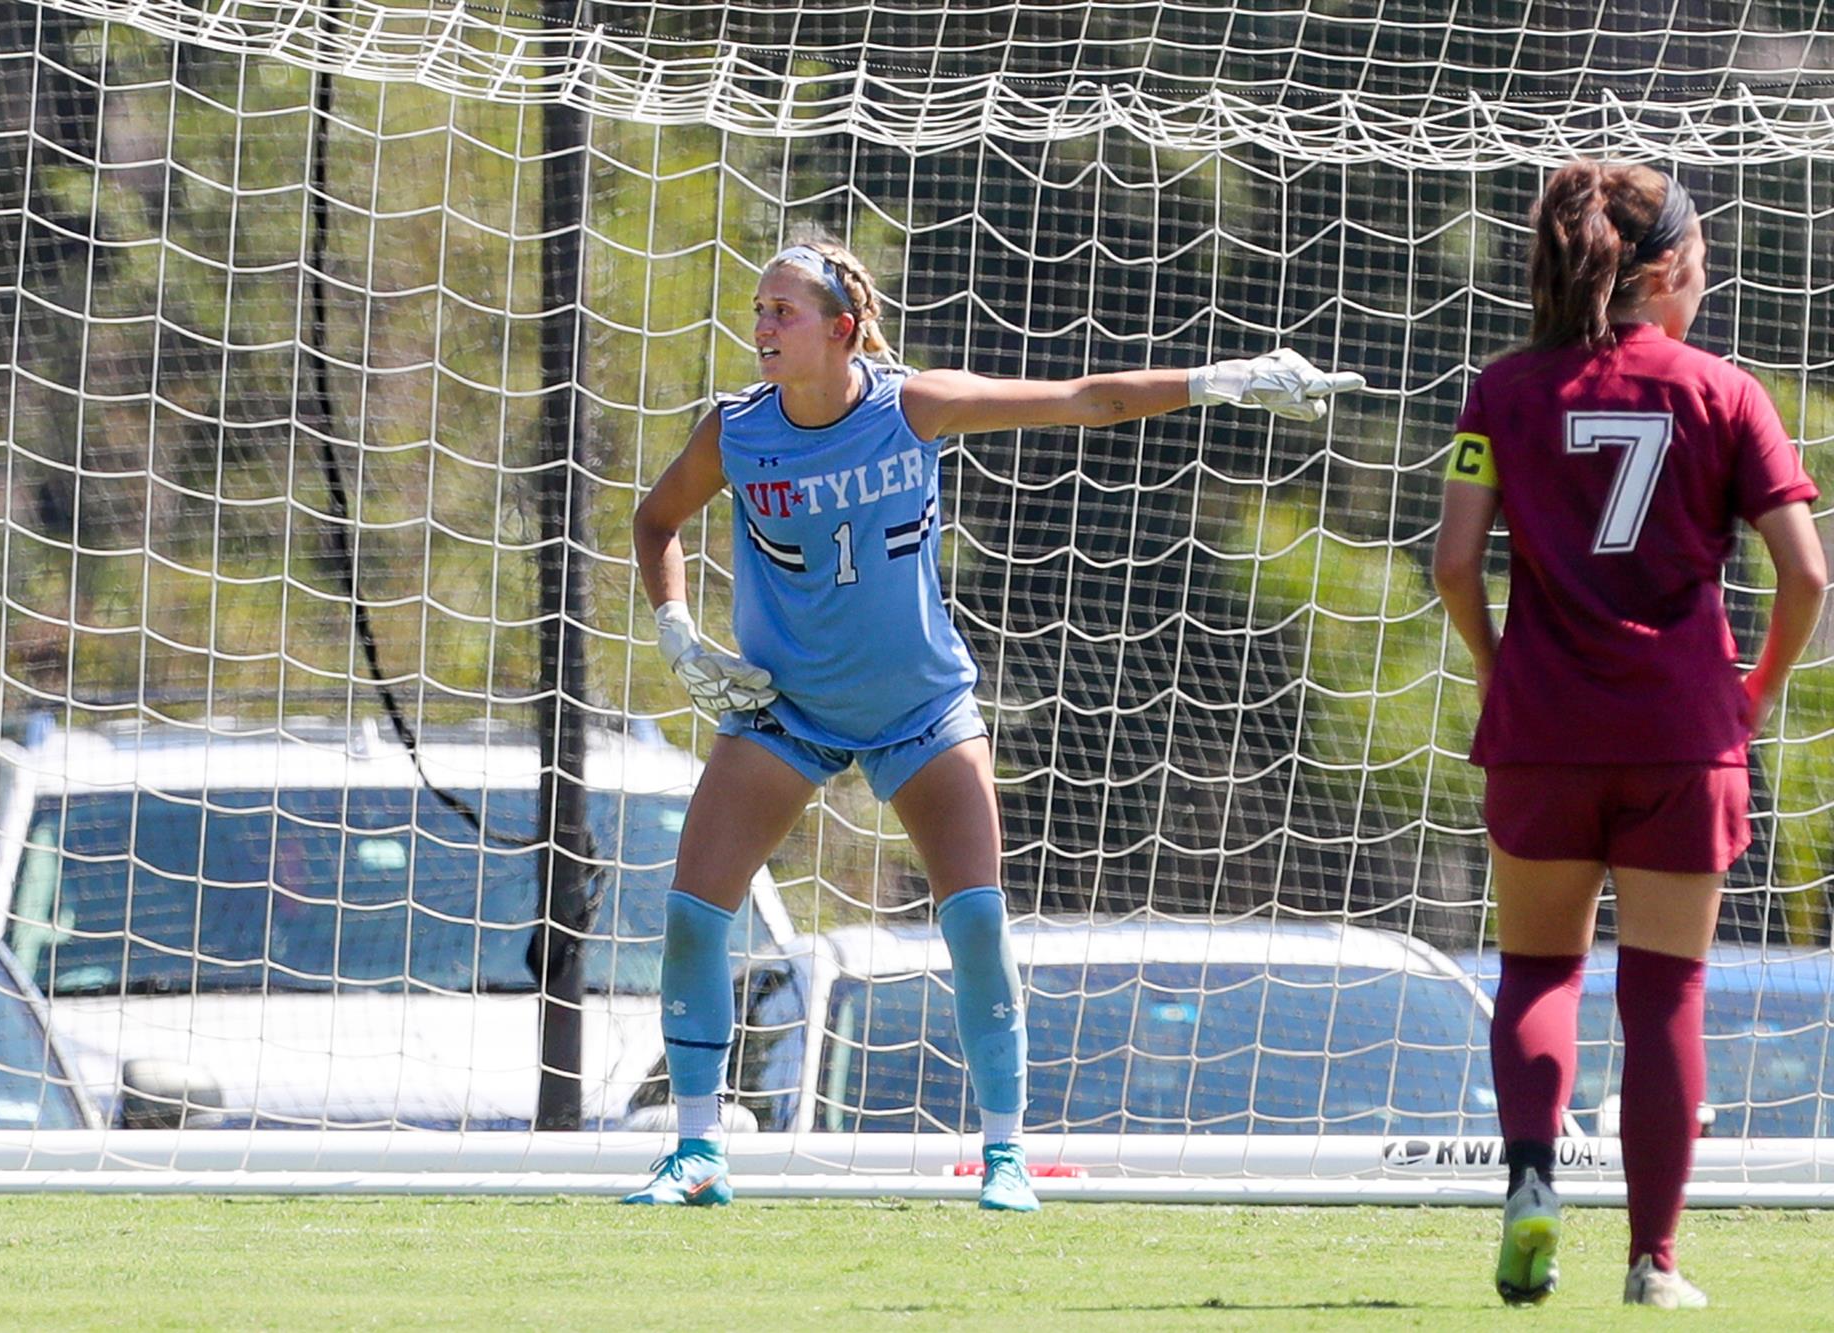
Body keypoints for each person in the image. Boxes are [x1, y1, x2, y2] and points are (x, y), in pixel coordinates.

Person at [622, 235, 1364, 1211]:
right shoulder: (735, 430)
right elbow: (654, 520)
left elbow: (1082, 398)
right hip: (784, 711)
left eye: (781, 311)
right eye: (756, 309)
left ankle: (1004, 1157)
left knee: (974, 922)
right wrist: (676, 631)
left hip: (918, 712)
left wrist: (1221, 380)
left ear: (842, 331)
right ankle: (694, 1151)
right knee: (690, 914)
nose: (759, 325)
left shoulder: (912, 405)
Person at [1433, 161, 1826, 1308]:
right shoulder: (1722, 390)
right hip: (1679, 733)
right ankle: (1652, 1263)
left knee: (1538, 971)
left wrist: (1500, 667)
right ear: (1660, 273)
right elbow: (1804, 574)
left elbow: (1454, 560)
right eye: (1697, 265)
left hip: (1542, 730)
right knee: (1663, 992)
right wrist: (1748, 692)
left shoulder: (1500, 391)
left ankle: (1527, 1187)